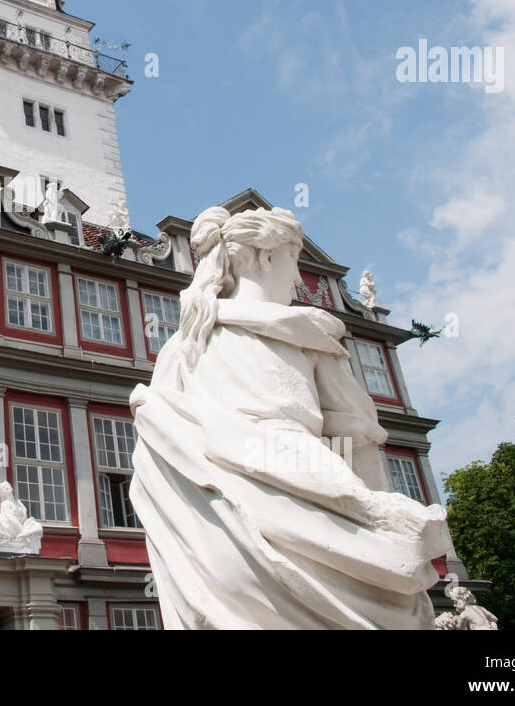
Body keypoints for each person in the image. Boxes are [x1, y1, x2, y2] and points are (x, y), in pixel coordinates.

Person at [129, 205, 451, 629]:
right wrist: (371, 514)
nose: (299, 279)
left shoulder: (182, 347)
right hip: (318, 519)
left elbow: (158, 448)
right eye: (293, 261)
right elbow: (356, 440)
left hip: (221, 536)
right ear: (264, 257)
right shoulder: (310, 335)